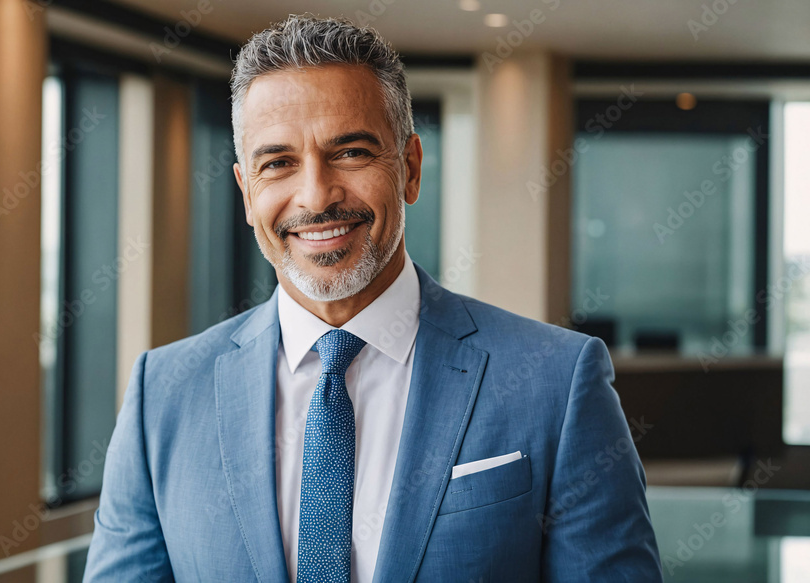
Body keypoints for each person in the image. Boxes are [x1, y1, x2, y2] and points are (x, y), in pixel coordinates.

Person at [83, 14, 661, 583]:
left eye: (351, 152)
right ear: (245, 190)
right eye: (278, 163)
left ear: (408, 169)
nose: (316, 195)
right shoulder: (161, 393)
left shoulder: (557, 382)